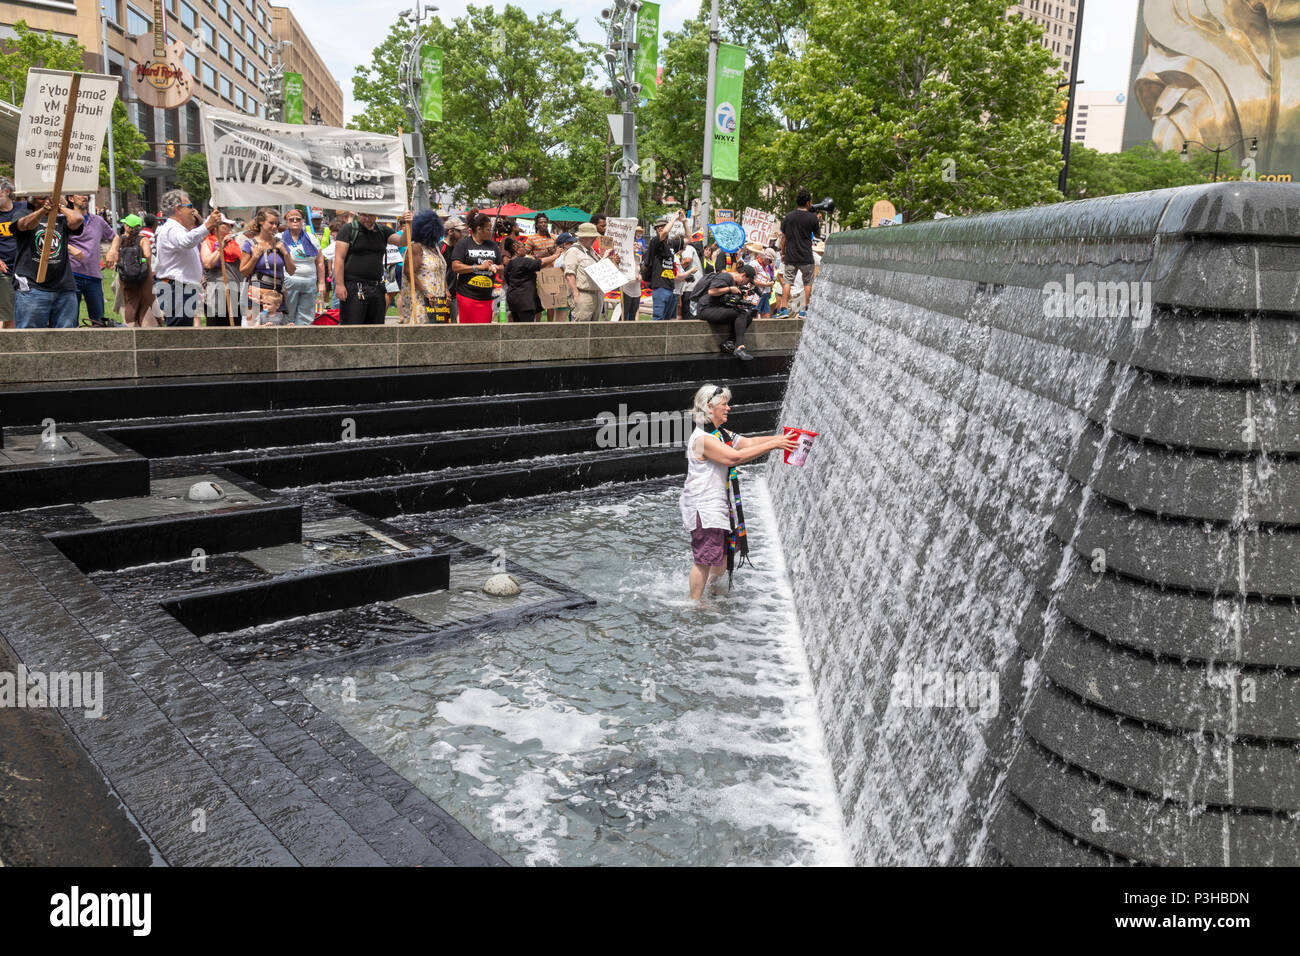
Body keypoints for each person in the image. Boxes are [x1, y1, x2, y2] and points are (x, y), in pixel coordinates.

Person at [682, 384, 796, 601]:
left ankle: (711, 587)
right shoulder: (702, 439)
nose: (729, 408)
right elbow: (734, 458)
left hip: (717, 505)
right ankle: (695, 603)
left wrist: (781, 439)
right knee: (704, 559)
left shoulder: (719, 433)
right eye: (724, 405)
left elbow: (748, 443)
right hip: (703, 507)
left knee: (726, 551)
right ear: (709, 407)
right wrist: (775, 445)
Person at [2, 196, 84, 328]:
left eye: (48, 196)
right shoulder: (22, 214)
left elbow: (78, 219)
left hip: (64, 287)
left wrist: (59, 207)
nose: (46, 198)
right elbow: (26, 224)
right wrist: (43, 210)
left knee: (67, 336)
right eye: (41, 197)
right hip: (32, 287)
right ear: (32, 199)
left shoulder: (61, 218)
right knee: (30, 336)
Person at [153, 189, 223, 326]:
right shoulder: (171, 229)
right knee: (179, 334)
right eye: (190, 206)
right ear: (178, 209)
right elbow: (186, 241)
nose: (193, 210)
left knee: (182, 332)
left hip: (180, 288)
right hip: (177, 289)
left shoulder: (176, 229)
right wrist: (207, 225)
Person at [334, 211, 408, 325]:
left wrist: (409, 224)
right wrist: (339, 285)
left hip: (377, 288)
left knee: (376, 328)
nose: (367, 219)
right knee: (352, 327)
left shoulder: (382, 230)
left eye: (371, 215)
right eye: (364, 215)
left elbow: (402, 241)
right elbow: (339, 258)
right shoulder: (348, 229)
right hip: (354, 288)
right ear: (358, 214)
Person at [66, 194, 117, 327]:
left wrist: (112, 251)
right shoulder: (64, 219)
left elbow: (115, 237)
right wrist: (70, 248)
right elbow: (54, 238)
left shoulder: (98, 220)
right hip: (72, 276)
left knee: (99, 322)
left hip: (94, 277)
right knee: (70, 322)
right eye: (80, 194)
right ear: (71, 199)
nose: (84, 197)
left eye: (86, 194)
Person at [238, 207, 295, 325]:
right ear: (261, 222)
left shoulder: (281, 244)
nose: (275, 226)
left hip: (276, 293)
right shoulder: (250, 244)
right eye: (271, 223)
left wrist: (285, 253)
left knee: (276, 328)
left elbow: (291, 271)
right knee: (254, 328)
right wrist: (255, 257)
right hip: (256, 292)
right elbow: (243, 271)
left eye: (277, 224)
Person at [693, 262, 759, 361]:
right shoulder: (726, 276)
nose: (746, 284)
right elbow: (712, 291)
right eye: (748, 281)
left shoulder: (735, 283)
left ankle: (729, 343)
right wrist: (730, 289)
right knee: (741, 313)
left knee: (748, 315)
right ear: (743, 275)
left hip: (717, 308)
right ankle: (740, 347)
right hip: (706, 308)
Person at [450, 211, 502, 324]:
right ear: (479, 229)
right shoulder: (464, 244)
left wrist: (497, 267)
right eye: (488, 229)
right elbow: (455, 266)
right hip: (467, 296)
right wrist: (479, 267)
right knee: (468, 330)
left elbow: (502, 266)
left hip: (487, 297)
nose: (490, 232)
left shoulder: (493, 245)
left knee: (484, 330)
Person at [775, 188, 821, 317]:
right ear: (808, 202)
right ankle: (805, 309)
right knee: (808, 283)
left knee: (788, 282)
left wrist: (782, 253)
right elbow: (818, 234)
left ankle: (783, 309)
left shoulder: (788, 217)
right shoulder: (812, 218)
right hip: (806, 256)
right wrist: (818, 220)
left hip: (791, 256)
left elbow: (783, 237)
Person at [105, 213, 156, 327]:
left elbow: (114, 256)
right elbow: (147, 255)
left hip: (126, 277)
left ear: (127, 227)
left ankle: (132, 328)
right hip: (143, 276)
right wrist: (144, 265)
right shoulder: (143, 239)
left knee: (130, 303)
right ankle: (146, 328)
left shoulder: (121, 239)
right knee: (146, 304)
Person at [398, 209, 446, 323]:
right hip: (421, 299)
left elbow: (441, 271)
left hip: (437, 300)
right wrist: (426, 292)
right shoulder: (416, 247)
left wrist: (446, 291)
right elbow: (409, 272)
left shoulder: (435, 248)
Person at [280, 209, 325, 325]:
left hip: (310, 281)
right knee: (288, 314)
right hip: (289, 281)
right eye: (291, 219)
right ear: (286, 221)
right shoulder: (280, 238)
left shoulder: (311, 238)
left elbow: (320, 262)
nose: (295, 221)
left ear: (302, 221)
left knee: (306, 316)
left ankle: (303, 334)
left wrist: (321, 283)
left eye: (298, 219)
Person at [503, 235, 562, 322]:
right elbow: (541, 263)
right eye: (523, 246)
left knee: (517, 326)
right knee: (527, 327)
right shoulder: (522, 261)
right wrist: (555, 255)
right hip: (525, 302)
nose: (525, 249)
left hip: (513, 301)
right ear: (515, 248)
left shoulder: (509, 264)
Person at [200, 215, 242, 326]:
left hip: (235, 293)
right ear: (215, 227)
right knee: (216, 330)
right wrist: (221, 247)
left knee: (236, 331)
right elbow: (208, 263)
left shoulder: (233, 242)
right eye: (226, 224)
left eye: (230, 224)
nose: (230, 226)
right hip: (216, 295)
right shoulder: (207, 242)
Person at [563, 222, 605, 322]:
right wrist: (576, 294)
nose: (594, 238)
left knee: (594, 328)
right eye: (592, 236)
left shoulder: (592, 252)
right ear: (583, 237)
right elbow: (569, 274)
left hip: (596, 295)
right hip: (583, 294)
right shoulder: (573, 251)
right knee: (581, 328)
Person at [644, 216, 678, 321]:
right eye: (657, 227)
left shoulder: (670, 244)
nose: (659, 228)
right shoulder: (655, 241)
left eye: (662, 226)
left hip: (670, 287)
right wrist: (675, 218)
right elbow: (664, 232)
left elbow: (689, 239)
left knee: (668, 320)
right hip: (660, 287)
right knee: (658, 319)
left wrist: (685, 222)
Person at [0, 178, 21, 328]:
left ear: (6, 192)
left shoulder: (23, 208)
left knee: (15, 314)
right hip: (4, 270)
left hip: (24, 270)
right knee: (5, 314)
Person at [439, 216, 464, 323]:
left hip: (453, 293)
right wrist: (445, 290)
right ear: (450, 232)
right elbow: (439, 271)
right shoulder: (441, 247)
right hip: (442, 294)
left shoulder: (456, 247)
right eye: (459, 231)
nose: (461, 235)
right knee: (442, 323)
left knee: (453, 323)